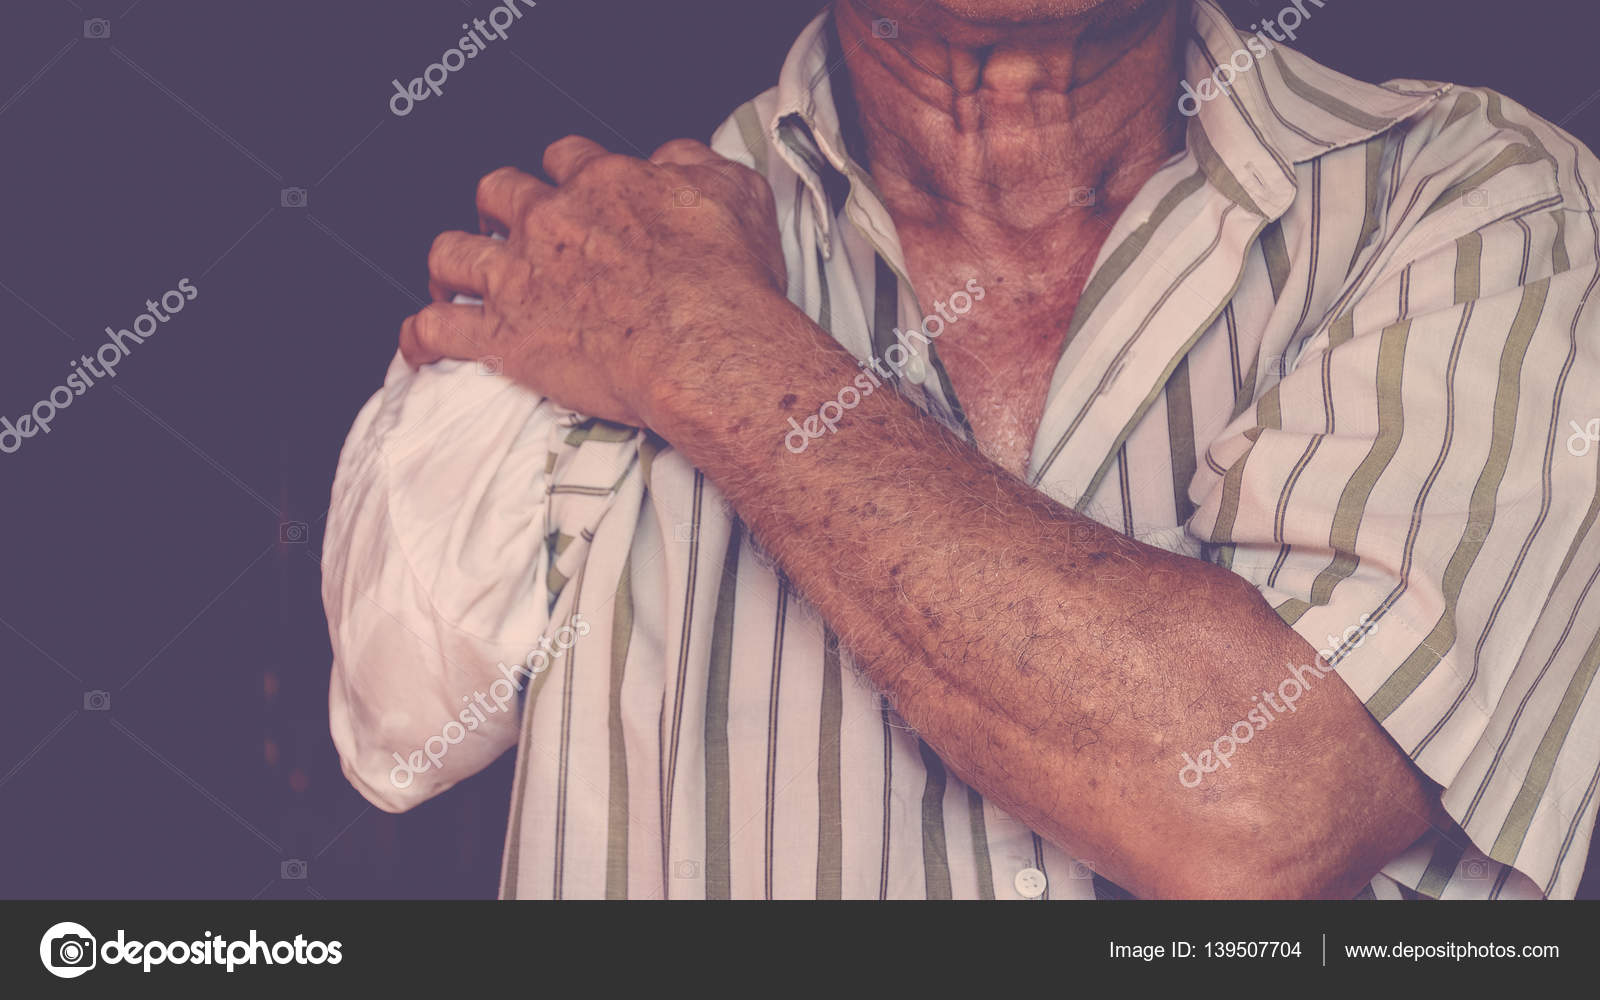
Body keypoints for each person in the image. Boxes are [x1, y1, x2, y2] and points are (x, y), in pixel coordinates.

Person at [322, 0, 1600, 898]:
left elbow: (1267, 807)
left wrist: (704, 344)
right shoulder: (585, 263)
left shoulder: (1485, 206)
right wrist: (661, 310)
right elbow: (395, 727)